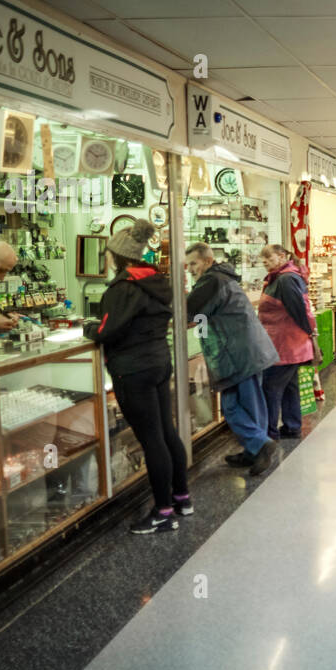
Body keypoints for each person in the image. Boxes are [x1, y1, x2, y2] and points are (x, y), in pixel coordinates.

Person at [84, 222, 191, 533]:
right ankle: (182, 498)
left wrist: (89, 328)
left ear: (119, 256)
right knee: (167, 432)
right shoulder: (156, 281)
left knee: (151, 439)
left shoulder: (123, 288)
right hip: (159, 361)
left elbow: (108, 330)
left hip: (132, 368)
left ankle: (163, 512)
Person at [184, 243, 280, 476]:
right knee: (251, 405)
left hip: (238, 354)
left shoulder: (211, 281)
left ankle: (260, 445)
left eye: (193, 264)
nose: (190, 270)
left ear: (207, 261)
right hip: (245, 351)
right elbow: (199, 317)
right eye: (187, 266)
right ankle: (254, 450)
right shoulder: (221, 278)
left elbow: (188, 314)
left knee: (232, 406)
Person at [257, 244, 315, 440]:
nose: (265, 264)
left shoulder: (286, 279)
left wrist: (309, 332)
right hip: (291, 344)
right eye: (263, 261)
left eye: (269, 259)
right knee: (290, 387)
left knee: (270, 388)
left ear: (282, 256)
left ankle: (269, 434)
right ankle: (291, 426)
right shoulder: (283, 277)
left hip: (284, 345)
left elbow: (298, 310)